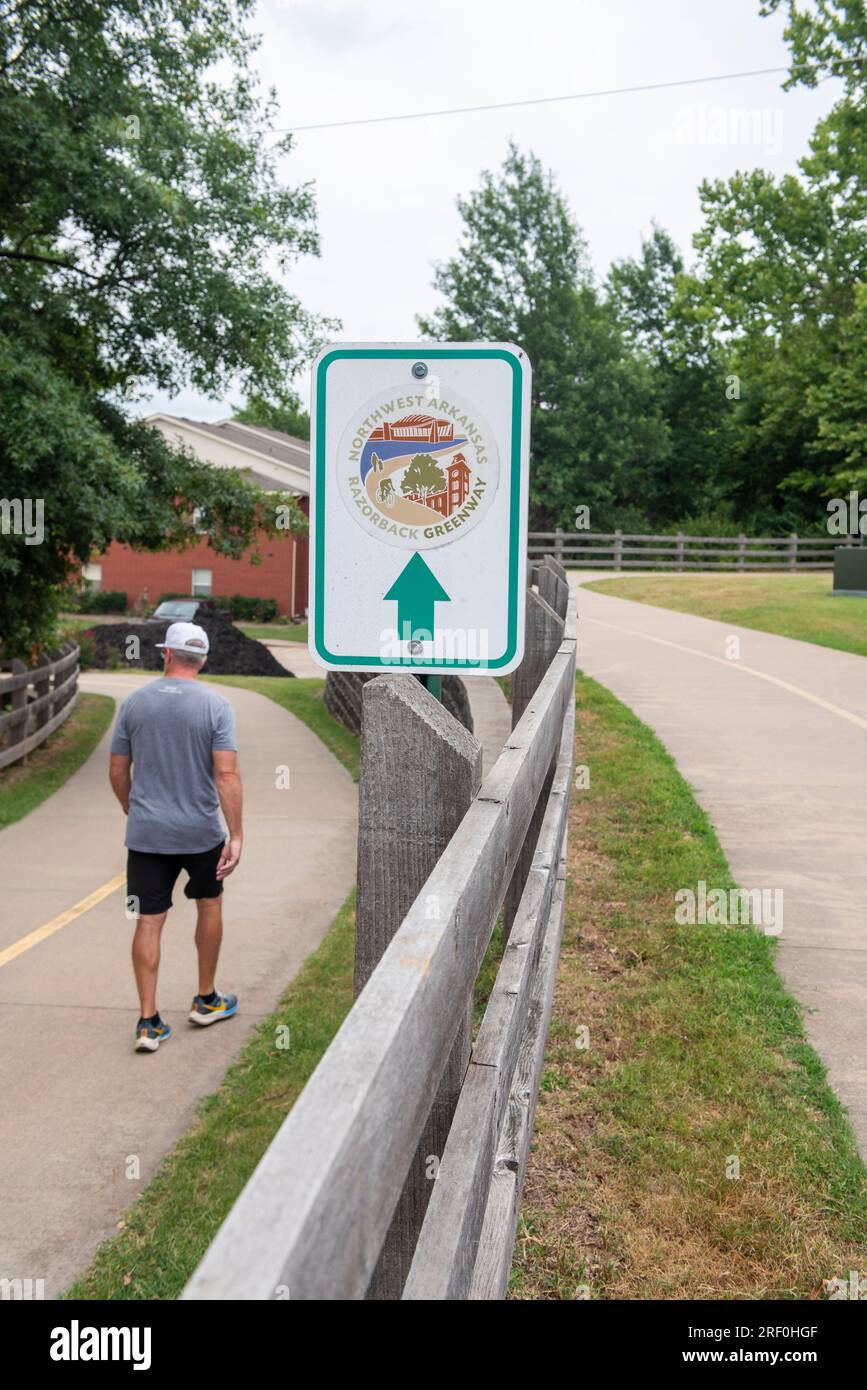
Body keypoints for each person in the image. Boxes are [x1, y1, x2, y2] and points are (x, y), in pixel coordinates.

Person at [108, 621, 243, 1053]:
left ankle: (147, 1022)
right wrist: (235, 834)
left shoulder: (134, 703)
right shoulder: (217, 706)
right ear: (202, 659)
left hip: (147, 835)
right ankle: (206, 999)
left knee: (148, 919)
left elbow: (116, 770)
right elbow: (226, 774)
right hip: (201, 832)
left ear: (166, 654)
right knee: (209, 903)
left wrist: (133, 808)